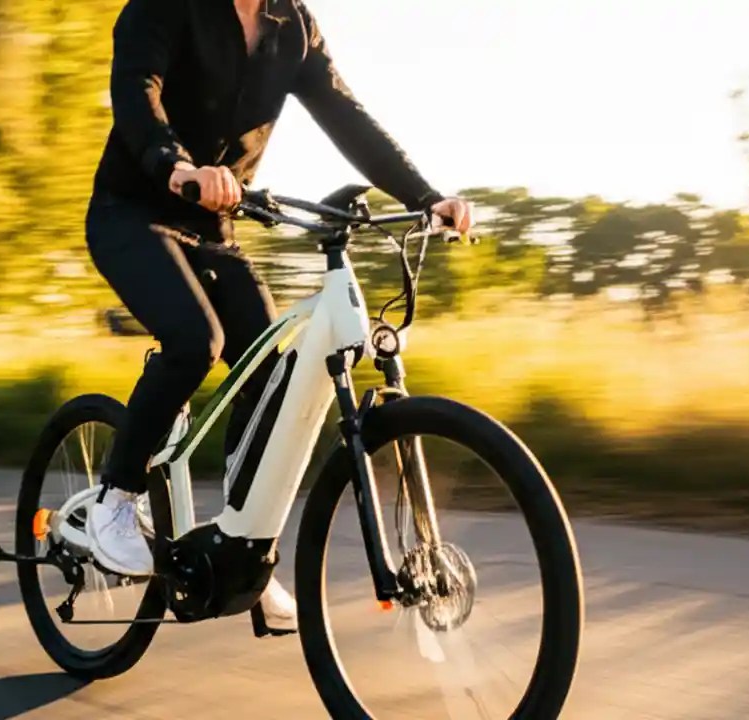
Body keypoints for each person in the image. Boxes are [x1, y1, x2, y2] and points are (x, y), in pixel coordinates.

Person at [84, 0, 474, 633]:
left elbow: (346, 115)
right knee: (196, 340)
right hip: (131, 214)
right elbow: (136, 91)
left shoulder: (293, 26)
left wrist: (424, 195)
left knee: (275, 376)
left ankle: (241, 547)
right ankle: (115, 498)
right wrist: (175, 166)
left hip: (212, 230)